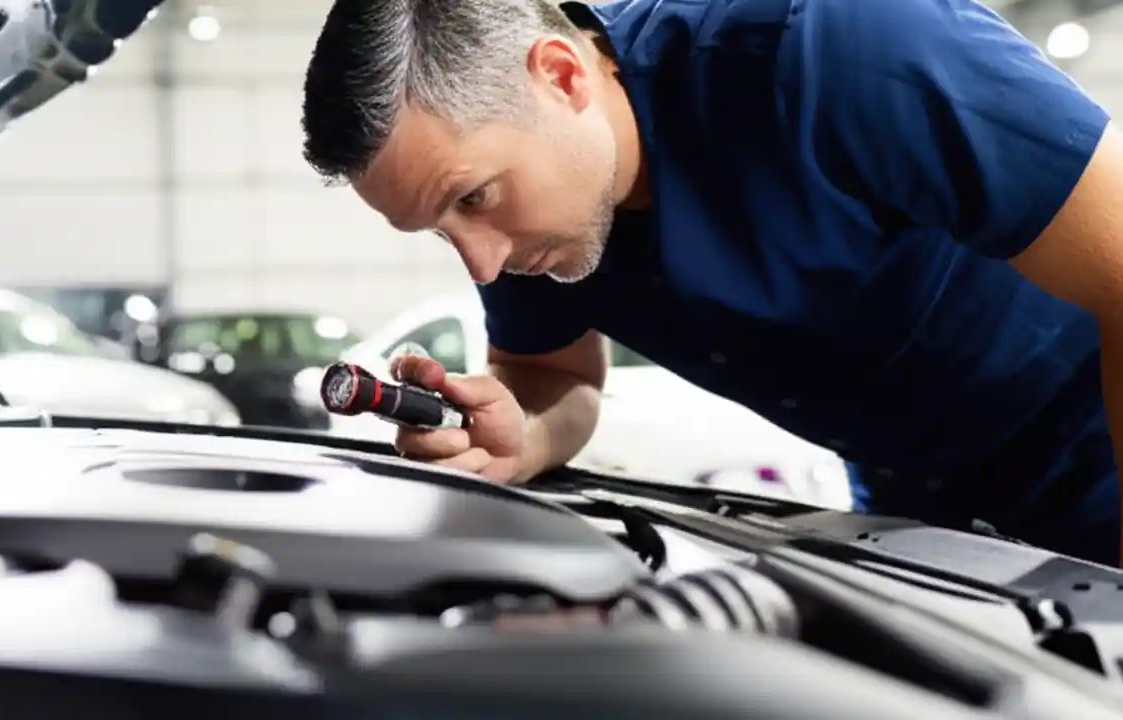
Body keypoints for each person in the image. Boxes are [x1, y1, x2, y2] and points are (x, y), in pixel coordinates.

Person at [300, 0, 1123, 566]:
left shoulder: (835, 45)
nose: (480, 262)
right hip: (915, 512)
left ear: (562, 74)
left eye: (472, 199)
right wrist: (526, 436)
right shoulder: (538, 228)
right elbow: (552, 378)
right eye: (442, 232)